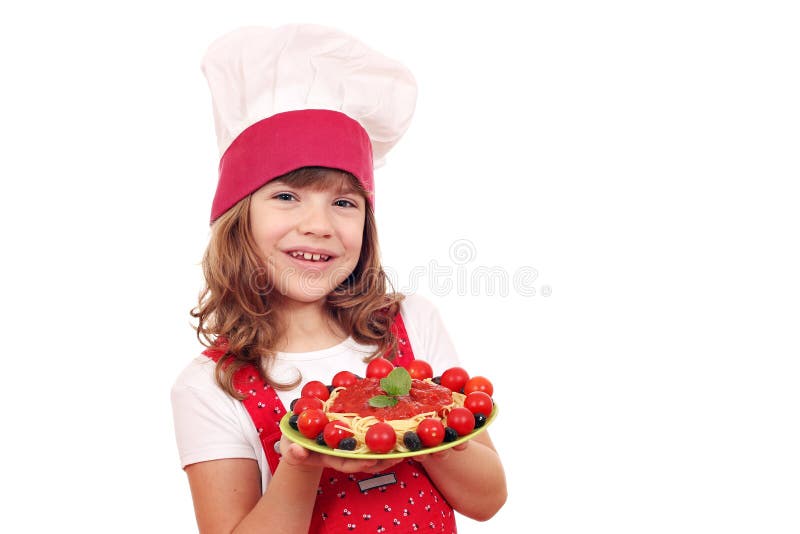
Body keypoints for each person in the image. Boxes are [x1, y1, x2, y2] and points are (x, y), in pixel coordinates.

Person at [171, 25, 507, 533]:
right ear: (238, 217)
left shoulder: (410, 325)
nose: (319, 225)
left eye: (344, 203)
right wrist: (303, 459)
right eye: (287, 196)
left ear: (366, 226)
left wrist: (418, 424)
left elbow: (487, 500)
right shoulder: (209, 386)